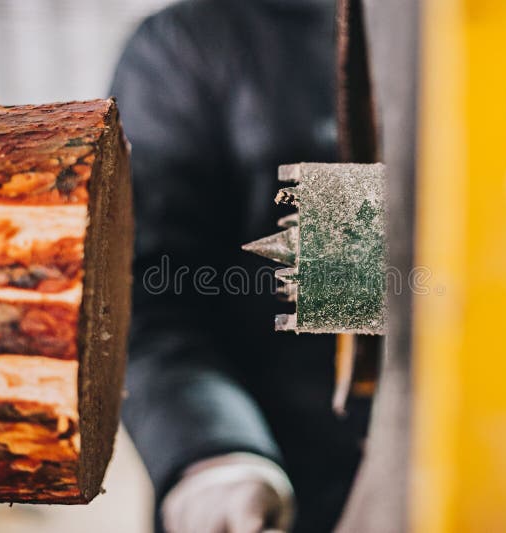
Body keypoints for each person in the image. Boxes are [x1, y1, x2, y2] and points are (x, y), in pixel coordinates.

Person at [110, 1, 370, 531]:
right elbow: (143, 295)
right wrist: (214, 452)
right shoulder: (192, 46)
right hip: (269, 496)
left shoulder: (467, 43)